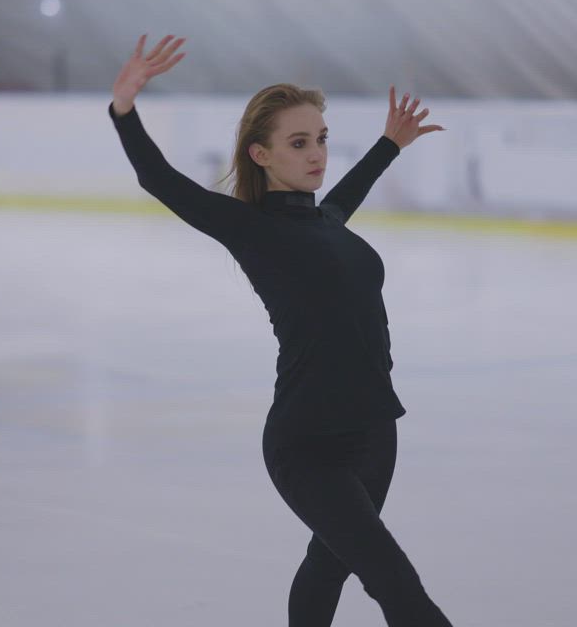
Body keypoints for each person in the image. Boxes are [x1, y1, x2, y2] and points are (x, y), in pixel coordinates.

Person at [108, 33, 454, 627]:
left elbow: (342, 200)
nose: (317, 153)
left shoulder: (328, 221)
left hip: (376, 433)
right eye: (298, 143)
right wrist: (124, 110)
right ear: (261, 154)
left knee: (330, 566)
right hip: (307, 445)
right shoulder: (249, 229)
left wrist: (389, 144)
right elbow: (158, 180)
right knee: (396, 583)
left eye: (320, 138)